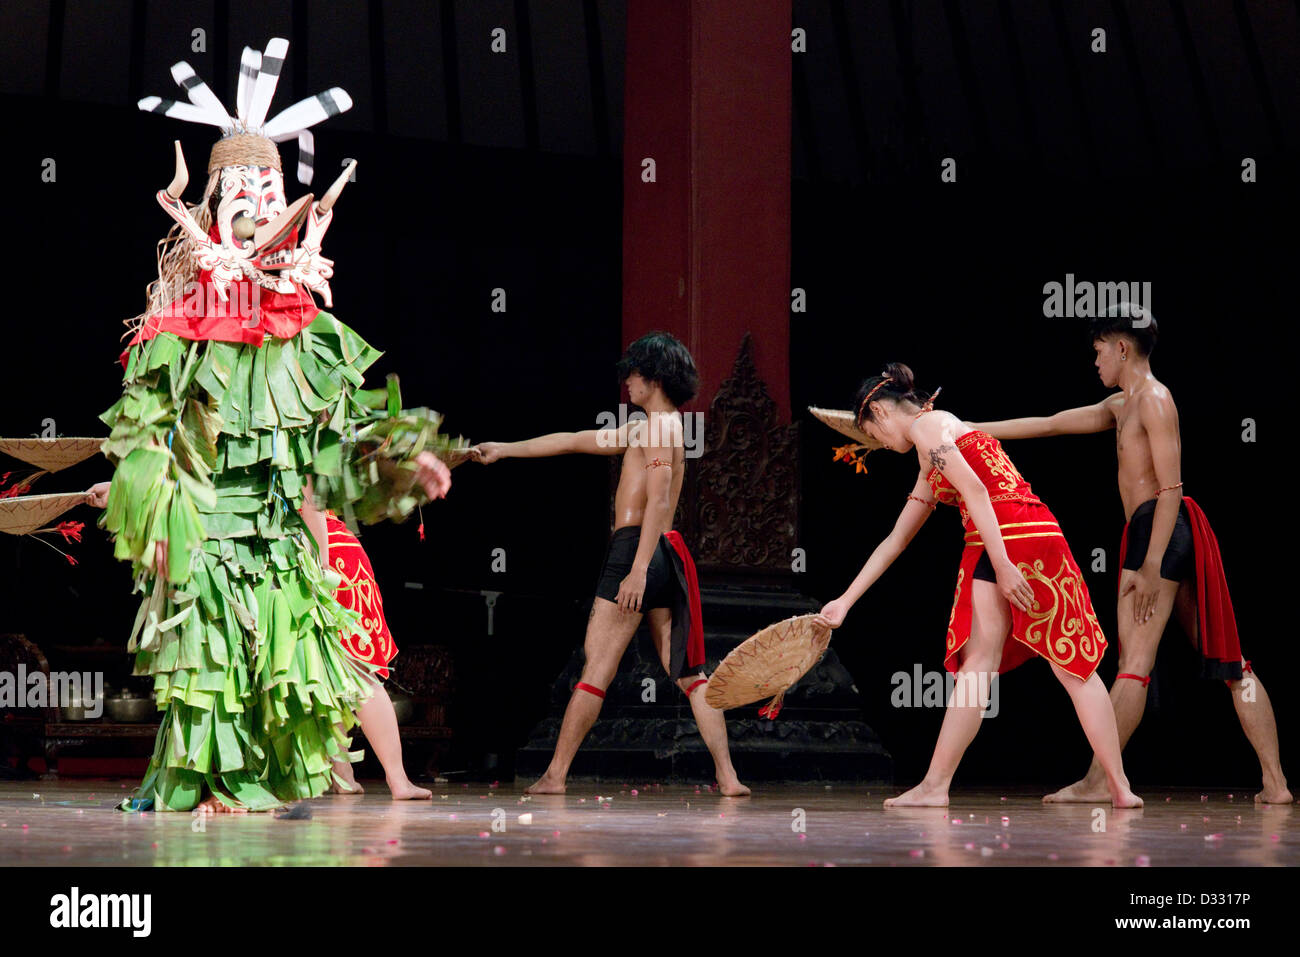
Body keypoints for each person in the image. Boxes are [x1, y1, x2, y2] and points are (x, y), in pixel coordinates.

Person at [972, 305, 1290, 804]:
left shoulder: (1155, 401)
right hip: (1161, 533)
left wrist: (1149, 565)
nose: (1095, 362)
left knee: (1133, 666)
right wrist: (969, 429)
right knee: (1232, 666)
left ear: (1122, 347)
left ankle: (1100, 783)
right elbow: (1051, 424)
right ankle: (1276, 784)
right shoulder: (1124, 405)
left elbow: (1170, 489)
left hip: (1159, 534)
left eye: (1099, 351)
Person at [816, 362, 1141, 808]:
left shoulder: (928, 426)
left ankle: (934, 787)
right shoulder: (937, 440)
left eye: (872, 431)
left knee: (984, 666)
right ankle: (1120, 788)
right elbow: (896, 539)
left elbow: (977, 492)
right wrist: (845, 601)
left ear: (880, 412)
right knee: (1066, 666)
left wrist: (1004, 565)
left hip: (1005, 539)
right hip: (1037, 531)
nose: (877, 442)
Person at [470, 332, 748, 796]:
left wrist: (637, 569)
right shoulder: (652, 426)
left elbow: (658, 502)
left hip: (638, 551)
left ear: (654, 377)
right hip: (659, 555)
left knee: (596, 668)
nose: (628, 384)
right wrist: (505, 447)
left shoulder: (659, 428)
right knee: (688, 675)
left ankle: (556, 775)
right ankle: (728, 777)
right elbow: (575, 440)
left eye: (634, 375)